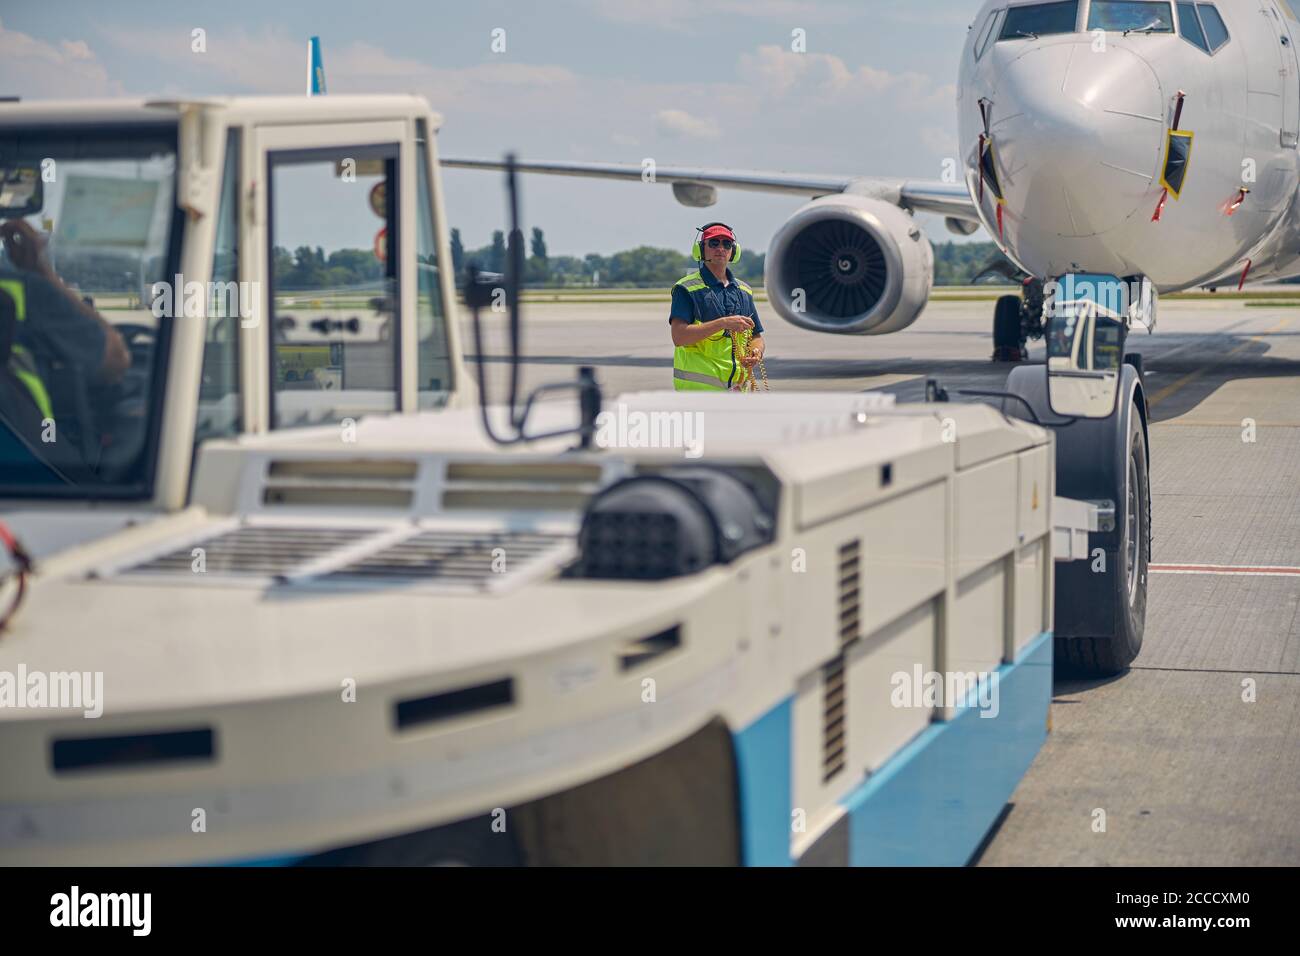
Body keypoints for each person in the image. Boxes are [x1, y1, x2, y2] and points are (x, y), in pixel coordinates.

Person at [668, 222, 765, 391]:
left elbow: (756, 336)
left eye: (726, 244)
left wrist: (755, 352)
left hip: (737, 392)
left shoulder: (744, 291)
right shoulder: (686, 289)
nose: (721, 248)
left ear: (734, 251)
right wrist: (723, 323)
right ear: (700, 250)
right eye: (714, 243)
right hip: (698, 393)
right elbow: (679, 337)